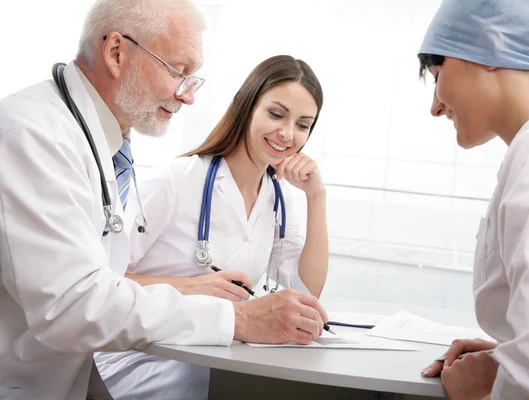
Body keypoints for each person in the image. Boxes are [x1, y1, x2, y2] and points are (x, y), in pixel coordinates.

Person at [0, 1, 328, 399]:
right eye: (178, 71)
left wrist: (317, 197)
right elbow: (74, 305)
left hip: (67, 377)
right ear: (117, 53)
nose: (187, 96)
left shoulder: (100, 145)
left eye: (303, 124)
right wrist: (234, 316)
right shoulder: (35, 137)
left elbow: (96, 286)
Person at [95, 54, 328, 400]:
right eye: (276, 114)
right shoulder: (178, 180)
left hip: (219, 360)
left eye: (303, 124)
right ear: (247, 107)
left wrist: (316, 196)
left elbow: (308, 290)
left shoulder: (278, 197)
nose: (287, 134)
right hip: (145, 359)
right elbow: (102, 281)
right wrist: (191, 287)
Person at [417, 0, 529, 398]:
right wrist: (512, 357)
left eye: (437, 74)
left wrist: (483, 390)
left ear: (492, 45)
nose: (435, 106)